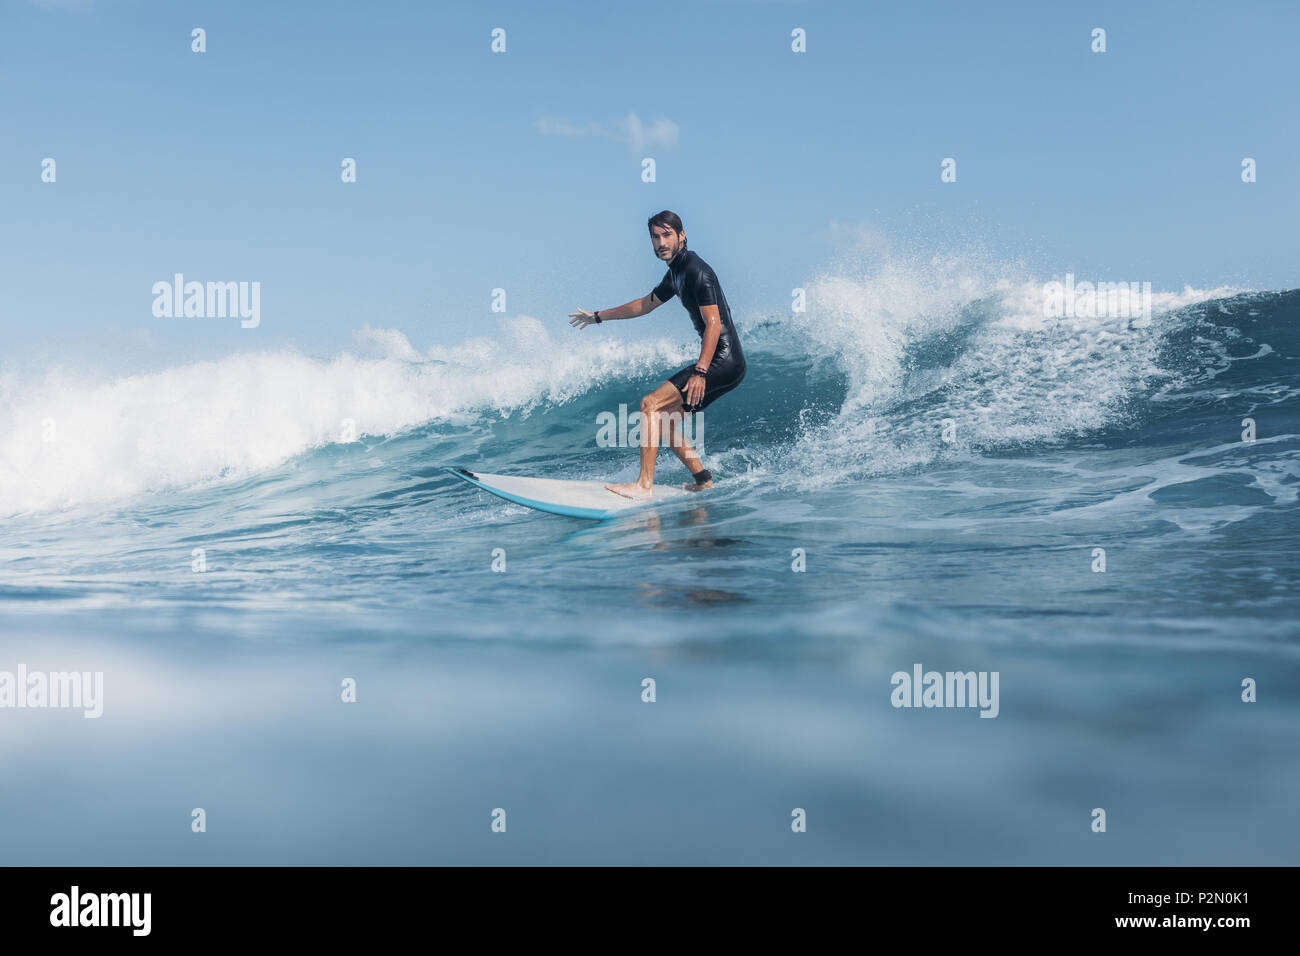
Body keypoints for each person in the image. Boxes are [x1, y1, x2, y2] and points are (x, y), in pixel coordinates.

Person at [569, 210, 746, 499]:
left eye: (667, 235)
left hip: (722, 361)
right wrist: (598, 317)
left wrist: (701, 372)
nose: (661, 241)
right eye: (655, 236)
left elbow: (714, 324)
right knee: (664, 418)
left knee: (649, 404)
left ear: (682, 236)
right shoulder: (675, 273)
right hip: (727, 363)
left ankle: (644, 485)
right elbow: (644, 305)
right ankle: (703, 479)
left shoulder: (694, 270)